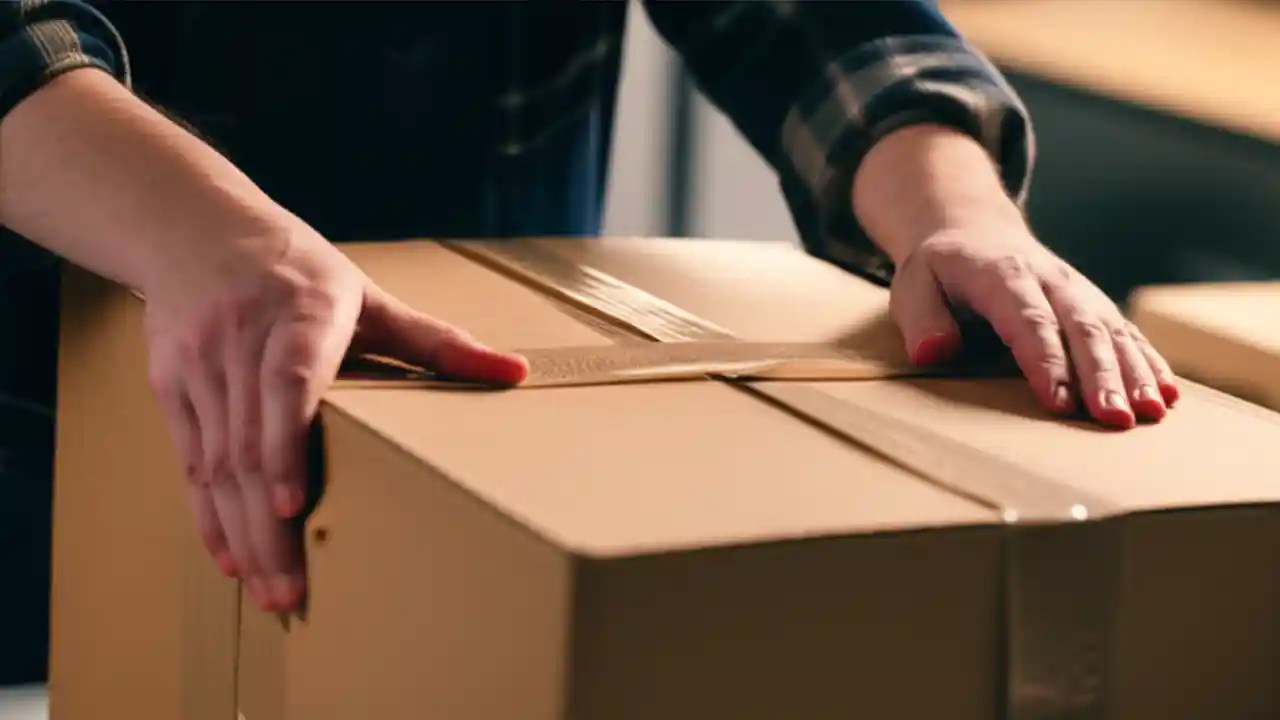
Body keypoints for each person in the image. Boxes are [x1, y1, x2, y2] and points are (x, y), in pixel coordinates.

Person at [0, 1, 1178, 620]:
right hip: (44, 428)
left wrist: (953, 214)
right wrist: (197, 225)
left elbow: (828, 20)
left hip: (496, 468)